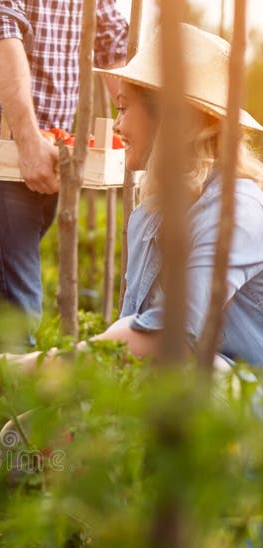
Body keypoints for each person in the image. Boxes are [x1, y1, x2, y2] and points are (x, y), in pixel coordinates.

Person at [0, 0, 128, 349]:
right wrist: (28, 140)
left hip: (49, 153)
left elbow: (115, 47)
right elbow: (3, 36)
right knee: (13, 316)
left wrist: (139, 120)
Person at [87, 23, 263, 366]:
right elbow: (131, 335)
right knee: (28, 422)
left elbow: (171, 332)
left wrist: (50, 361)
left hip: (240, 408)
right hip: (172, 397)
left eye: (123, 108)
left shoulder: (238, 209)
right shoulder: (148, 214)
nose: (117, 125)